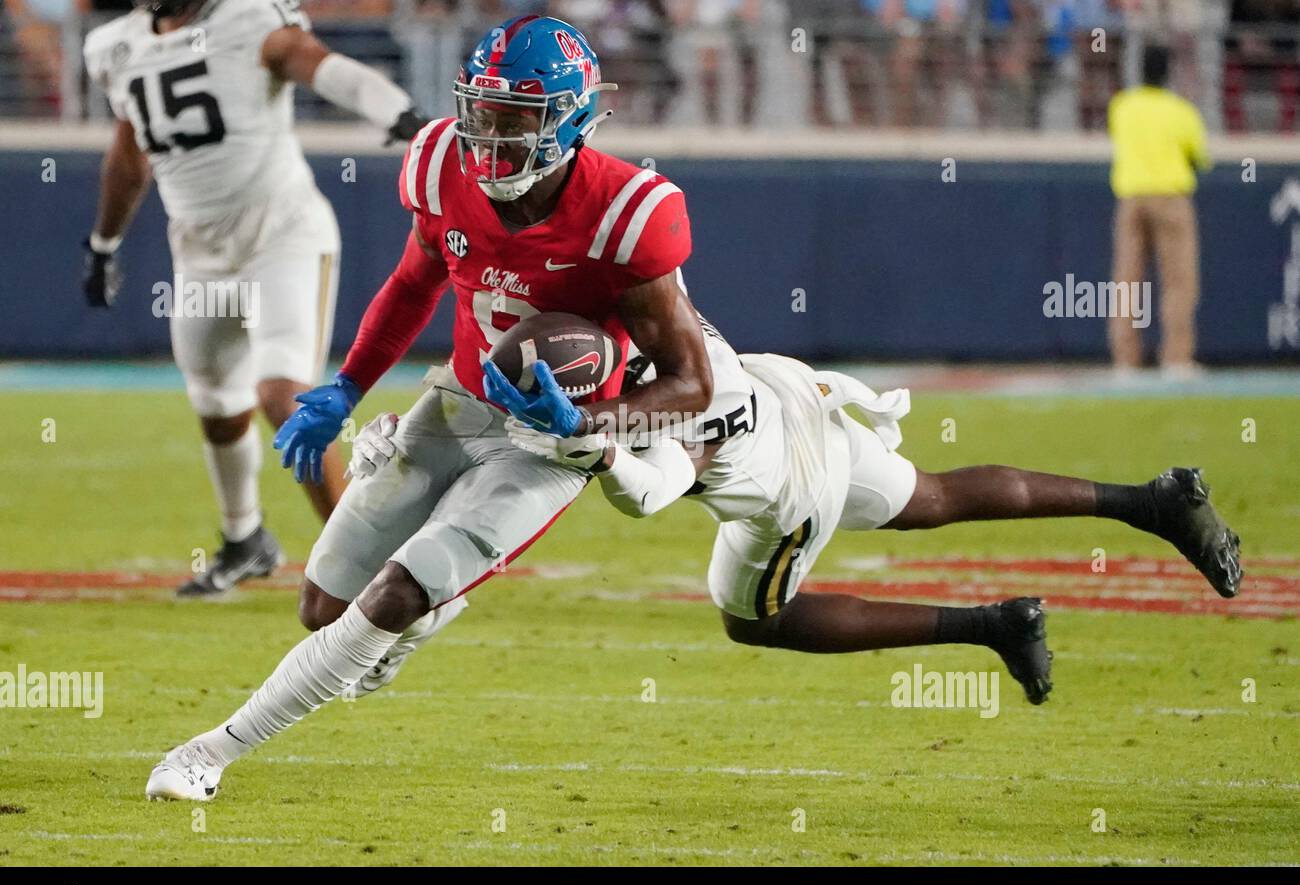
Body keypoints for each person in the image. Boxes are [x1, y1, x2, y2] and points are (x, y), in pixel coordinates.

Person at [142, 14, 733, 801]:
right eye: (481, 112)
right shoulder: (437, 165)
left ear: (575, 121)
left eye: (517, 121)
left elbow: (693, 384)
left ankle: (207, 754)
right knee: (326, 609)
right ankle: (409, 619)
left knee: (397, 591)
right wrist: (346, 388)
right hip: (455, 402)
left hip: (546, 441)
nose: (490, 137)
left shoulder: (627, 211)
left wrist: (588, 425)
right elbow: (414, 282)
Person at [347, 334, 1243, 707]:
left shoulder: (667, 424)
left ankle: (995, 625)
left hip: (784, 479)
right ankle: (1150, 501)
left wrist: (594, 449)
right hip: (787, 390)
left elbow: (650, 492)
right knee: (930, 497)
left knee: (752, 617)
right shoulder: (644, 337)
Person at [82, 0, 426, 595]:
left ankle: (359, 561)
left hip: (283, 237)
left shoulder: (246, 19)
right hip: (199, 256)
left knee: (282, 395)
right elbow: (130, 153)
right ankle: (245, 539)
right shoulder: (115, 45)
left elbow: (318, 64)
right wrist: (104, 241)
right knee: (216, 406)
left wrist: (395, 110)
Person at [1106, 44, 1211, 377]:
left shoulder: (1122, 107)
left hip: (1132, 197)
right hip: (1169, 197)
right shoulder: (1181, 111)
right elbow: (1199, 158)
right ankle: (1176, 359)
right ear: (1169, 72)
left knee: (1127, 280)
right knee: (1178, 281)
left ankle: (1125, 360)